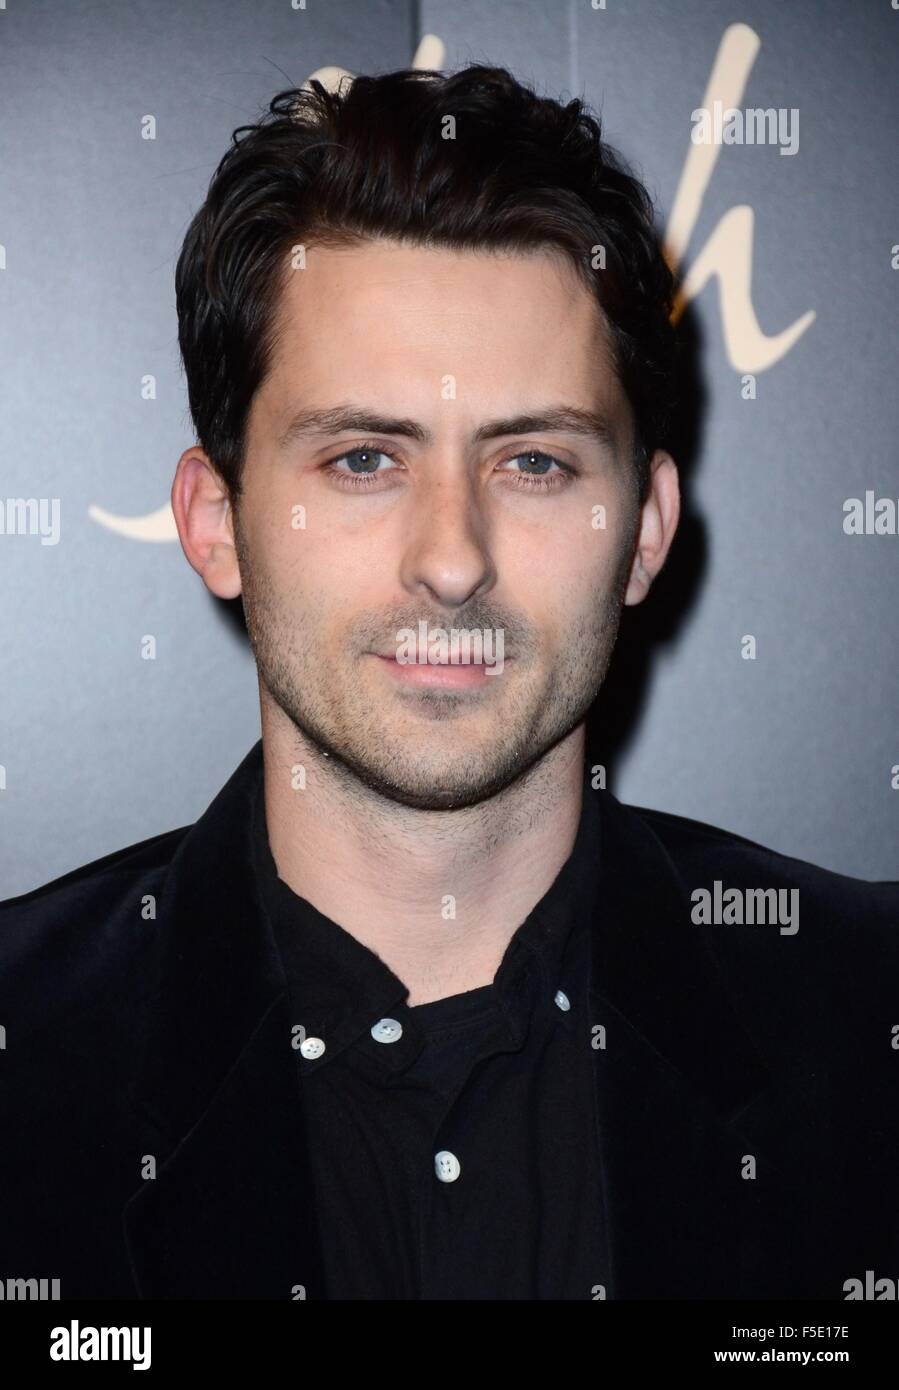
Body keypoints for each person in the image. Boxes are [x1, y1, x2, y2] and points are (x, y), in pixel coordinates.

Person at [1, 63, 896, 1302]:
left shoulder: (868, 1025)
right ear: (215, 522)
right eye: (363, 458)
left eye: (532, 462)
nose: (451, 561)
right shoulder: (25, 1054)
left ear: (642, 532)